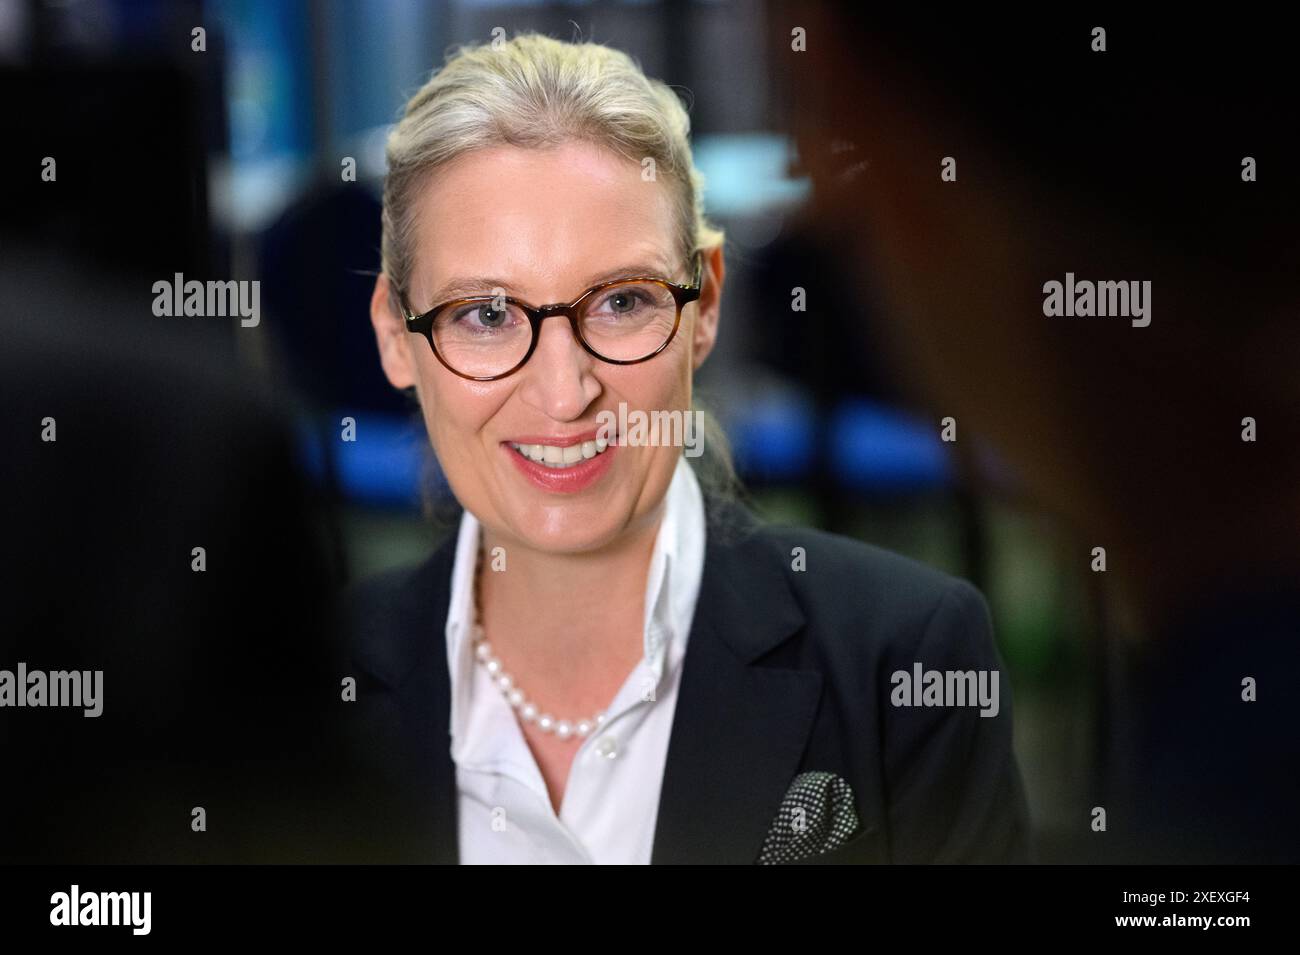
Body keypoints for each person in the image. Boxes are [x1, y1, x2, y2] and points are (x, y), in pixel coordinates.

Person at [344, 31, 1031, 864]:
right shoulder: (290, 691)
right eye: (486, 316)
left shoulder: (905, 658)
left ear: (703, 304)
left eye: (623, 301)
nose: (565, 394)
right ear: (394, 334)